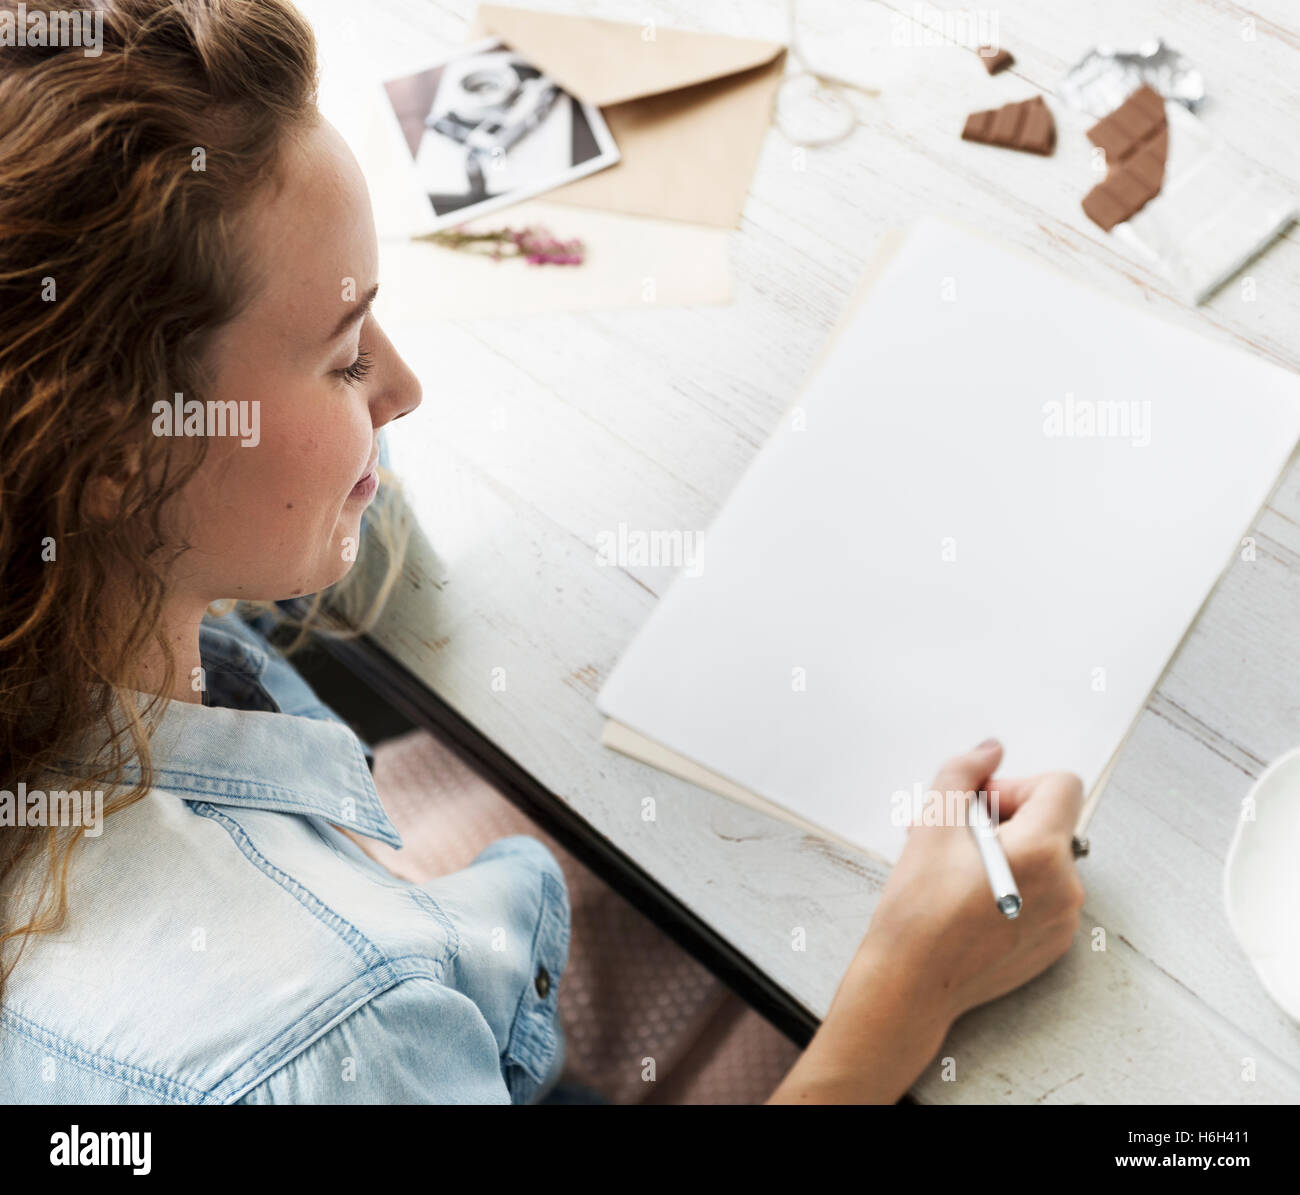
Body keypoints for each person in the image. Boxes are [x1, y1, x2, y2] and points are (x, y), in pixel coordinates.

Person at [0, 0, 1084, 1105]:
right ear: (115, 457)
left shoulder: (67, 577)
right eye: (345, 356)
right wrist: (909, 984)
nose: (404, 386)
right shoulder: (330, 1040)